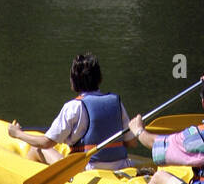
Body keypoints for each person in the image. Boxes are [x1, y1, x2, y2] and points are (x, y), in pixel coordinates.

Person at [8, 53, 137, 171]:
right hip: (120, 166)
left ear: (73, 82)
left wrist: (18, 133)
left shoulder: (73, 107)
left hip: (87, 170)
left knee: (37, 149)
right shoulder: (116, 102)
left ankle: (26, 178)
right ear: (100, 79)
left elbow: (46, 143)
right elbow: (132, 143)